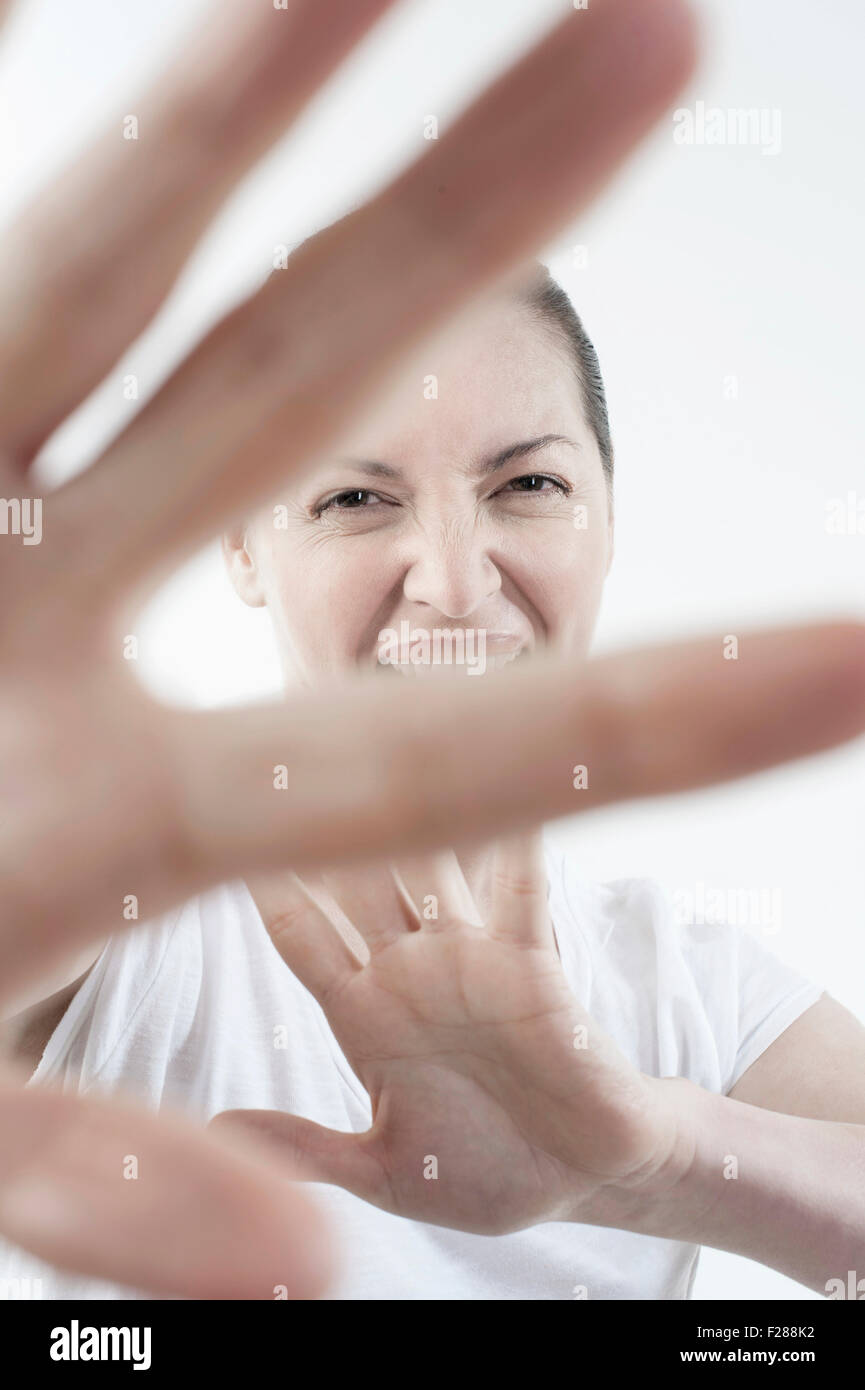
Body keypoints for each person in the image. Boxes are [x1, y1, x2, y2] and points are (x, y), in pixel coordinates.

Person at [2, 0, 865, 1302]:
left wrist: (644, 1158)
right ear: (243, 550)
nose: (454, 577)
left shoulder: (687, 978)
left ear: (608, 518)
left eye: (525, 487)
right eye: (355, 498)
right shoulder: (130, 929)